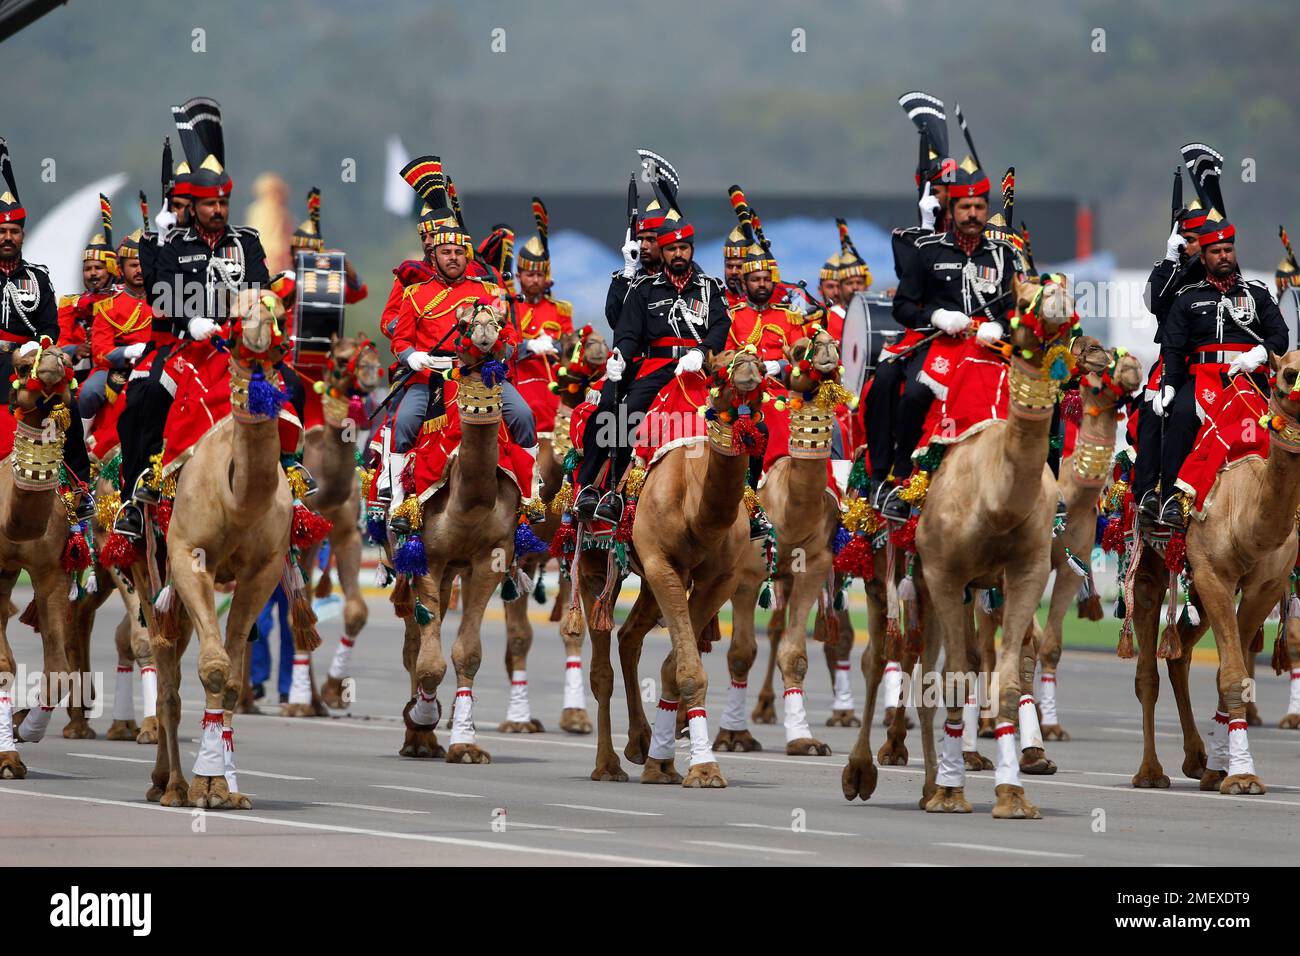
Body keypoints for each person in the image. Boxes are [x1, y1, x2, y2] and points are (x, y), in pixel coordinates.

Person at [115, 97, 271, 538]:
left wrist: (246, 323)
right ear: (196, 206)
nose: (218, 211)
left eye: (223, 203)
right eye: (209, 205)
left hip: (236, 348)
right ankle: (139, 488)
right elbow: (161, 296)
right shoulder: (174, 244)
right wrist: (190, 323)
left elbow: (262, 290)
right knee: (144, 397)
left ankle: (291, 481)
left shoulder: (248, 243)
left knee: (288, 392)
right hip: (184, 347)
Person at [385, 155, 534, 533]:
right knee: (403, 423)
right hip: (432, 379)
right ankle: (401, 504)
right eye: (446, 252)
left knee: (524, 416)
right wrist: (411, 356)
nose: (453, 258)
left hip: (482, 376)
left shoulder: (486, 290)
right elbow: (398, 336)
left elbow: (511, 335)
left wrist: (502, 350)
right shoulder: (415, 292)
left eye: (458, 252)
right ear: (433, 254)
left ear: (466, 255)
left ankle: (530, 498)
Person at [869, 143, 1015, 520]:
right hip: (941, 342)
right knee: (913, 391)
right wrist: (937, 316)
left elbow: (1016, 305)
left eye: (979, 207)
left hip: (989, 345)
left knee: (1040, 392)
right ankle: (898, 476)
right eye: (964, 207)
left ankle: (1042, 479)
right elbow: (903, 305)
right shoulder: (928, 250)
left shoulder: (1003, 255)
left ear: (987, 209)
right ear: (951, 210)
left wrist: (1002, 324)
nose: (972, 214)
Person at [573, 207, 730, 523]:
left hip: (701, 369)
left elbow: (720, 324)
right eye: (671, 248)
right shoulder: (644, 289)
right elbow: (629, 333)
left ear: (691, 249)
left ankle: (750, 503)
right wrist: (619, 357)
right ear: (664, 250)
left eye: (683, 247)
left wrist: (702, 351)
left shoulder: (710, 287)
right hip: (658, 369)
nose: (678, 254)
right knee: (621, 415)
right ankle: (601, 490)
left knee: (744, 420)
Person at [1153, 200, 1287, 530]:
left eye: (1229, 249)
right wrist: (1169, 385)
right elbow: (1172, 344)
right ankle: (1172, 499)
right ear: (1204, 256)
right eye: (1216, 251)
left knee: (1285, 428)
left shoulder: (1256, 293)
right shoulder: (1187, 296)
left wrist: (1258, 354)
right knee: (1181, 417)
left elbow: (1280, 336)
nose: (1224, 255)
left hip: (1250, 380)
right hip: (1203, 379)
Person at [0, 139, 94, 506]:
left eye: (14, 232)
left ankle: (77, 486)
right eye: (2, 232)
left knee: (64, 397)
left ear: (22, 235)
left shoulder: (38, 277)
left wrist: (37, 346)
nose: (7, 237)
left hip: (26, 363)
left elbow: (50, 326)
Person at [1132, 199, 1207, 525]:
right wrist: (1169, 260)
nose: (1187, 245)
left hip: (1205, 364)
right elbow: (1153, 302)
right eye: (1184, 238)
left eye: (1193, 239)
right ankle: (1148, 490)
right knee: (1149, 409)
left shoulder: (1218, 271)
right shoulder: (1173, 267)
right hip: (1171, 361)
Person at [76, 228, 153, 440]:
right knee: (89, 392)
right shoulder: (108, 305)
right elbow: (100, 352)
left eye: (143, 264)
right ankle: (79, 444)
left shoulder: (163, 300)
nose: (139, 270)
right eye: (133, 265)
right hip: (116, 367)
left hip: (156, 364)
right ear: (121, 268)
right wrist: (127, 352)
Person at [512, 199, 574, 447]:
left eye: (540, 274)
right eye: (530, 274)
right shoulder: (510, 307)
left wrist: (556, 346)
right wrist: (529, 346)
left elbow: (570, 347)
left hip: (552, 387)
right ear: (519, 276)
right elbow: (504, 348)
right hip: (522, 384)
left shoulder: (560, 309)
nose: (535, 279)